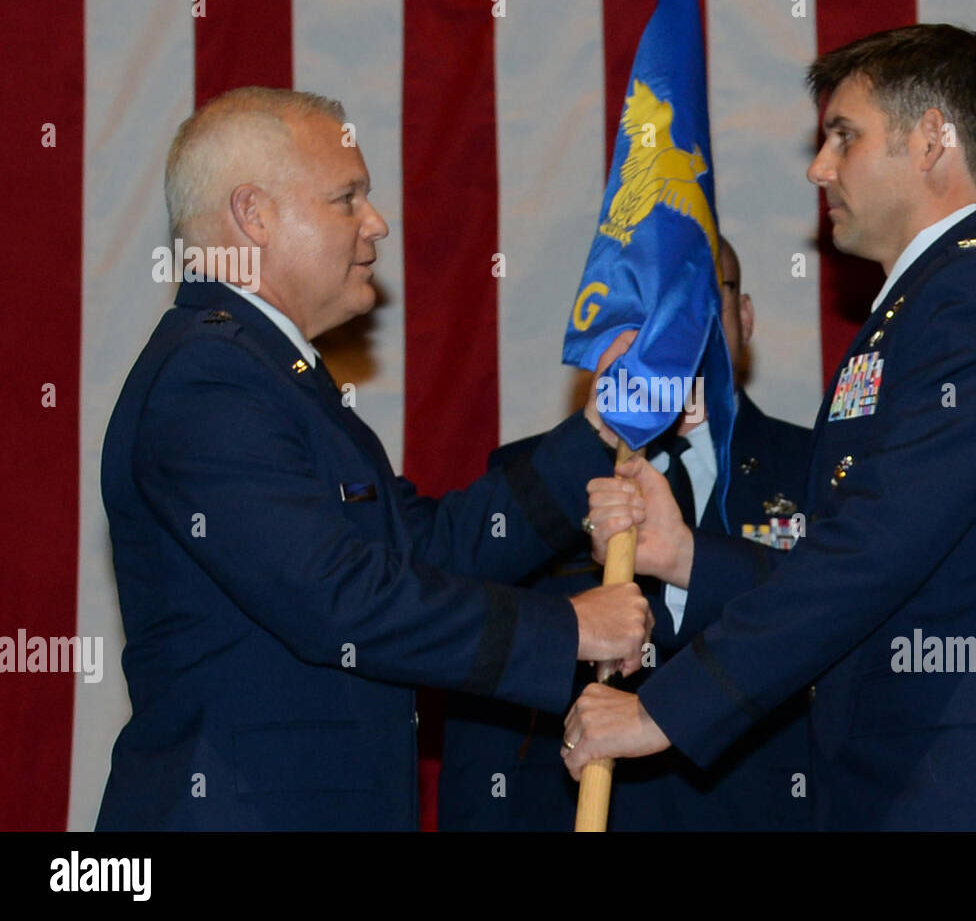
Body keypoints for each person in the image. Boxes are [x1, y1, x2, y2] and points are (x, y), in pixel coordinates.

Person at [563, 24, 976, 830]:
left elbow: (880, 547)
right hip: (912, 780)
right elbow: (894, 568)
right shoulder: (930, 303)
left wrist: (665, 710)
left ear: (932, 139)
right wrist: (690, 556)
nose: (819, 167)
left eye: (845, 136)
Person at [96, 87, 651, 831]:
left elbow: (429, 550)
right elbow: (335, 597)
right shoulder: (211, 376)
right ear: (253, 215)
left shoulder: (273, 374)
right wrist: (569, 629)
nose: (376, 224)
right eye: (346, 198)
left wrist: (597, 430)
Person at [439, 239, 813, 831]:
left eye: (703, 292)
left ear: (744, 317)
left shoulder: (817, 468)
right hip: (583, 810)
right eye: (655, 298)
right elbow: (477, 666)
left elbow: (836, 641)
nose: (678, 317)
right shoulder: (538, 480)